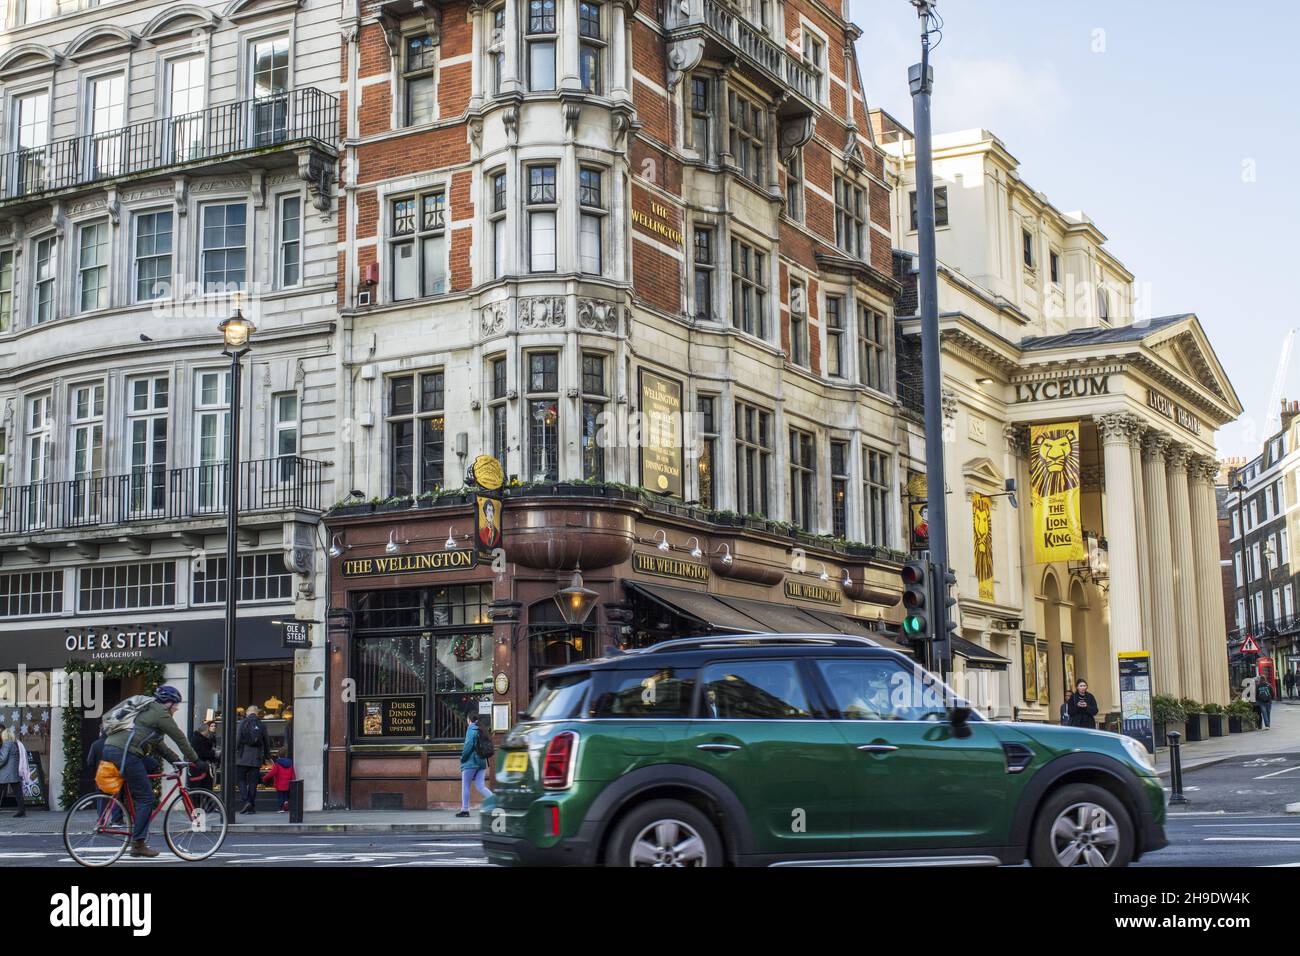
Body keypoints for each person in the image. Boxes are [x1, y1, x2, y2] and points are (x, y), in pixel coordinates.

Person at [102, 685, 200, 857]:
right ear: (168, 703)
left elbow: (158, 744)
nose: (177, 708)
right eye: (176, 704)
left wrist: (176, 760)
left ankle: (126, 813)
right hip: (126, 753)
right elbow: (180, 738)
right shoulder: (161, 714)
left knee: (151, 765)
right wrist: (197, 761)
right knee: (146, 798)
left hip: (111, 748)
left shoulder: (148, 710)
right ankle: (138, 843)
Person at [457, 714, 493, 817]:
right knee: (481, 786)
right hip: (482, 762)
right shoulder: (482, 729)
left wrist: (463, 758)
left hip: (470, 762)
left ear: (469, 720)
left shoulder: (471, 729)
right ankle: (496, 803)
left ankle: (465, 810)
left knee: (466, 786)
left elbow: (468, 746)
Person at [236, 706, 270, 814]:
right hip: (256, 758)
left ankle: (246, 801)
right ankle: (252, 806)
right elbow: (266, 741)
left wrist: (234, 751)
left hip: (242, 758)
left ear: (248, 712)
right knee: (253, 783)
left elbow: (237, 739)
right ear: (256, 712)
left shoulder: (242, 723)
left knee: (241, 780)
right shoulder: (262, 724)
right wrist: (267, 756)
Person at [0, 728, 24, 817]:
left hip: (6, 773)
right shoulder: (15, 744)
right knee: (18, 792)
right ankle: (22, 810)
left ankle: (21, 811)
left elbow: (2, 758)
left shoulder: (7, 744)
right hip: (13, 772)